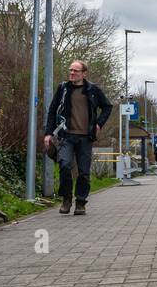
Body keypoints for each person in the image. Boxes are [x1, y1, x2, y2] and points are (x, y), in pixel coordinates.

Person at [43, 60, 113, 215]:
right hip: (66, 136)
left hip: (85, 137)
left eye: (76, 71)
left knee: (83, 171)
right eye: (70, 70)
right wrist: (48, 133)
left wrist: (99, 124)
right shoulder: (63, 89)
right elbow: (52, 110)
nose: (72, 73)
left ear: (84, 73)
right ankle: (66, 199)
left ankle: (80, 202)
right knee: (65, 165)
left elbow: (107, 107)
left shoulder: (93, 90)